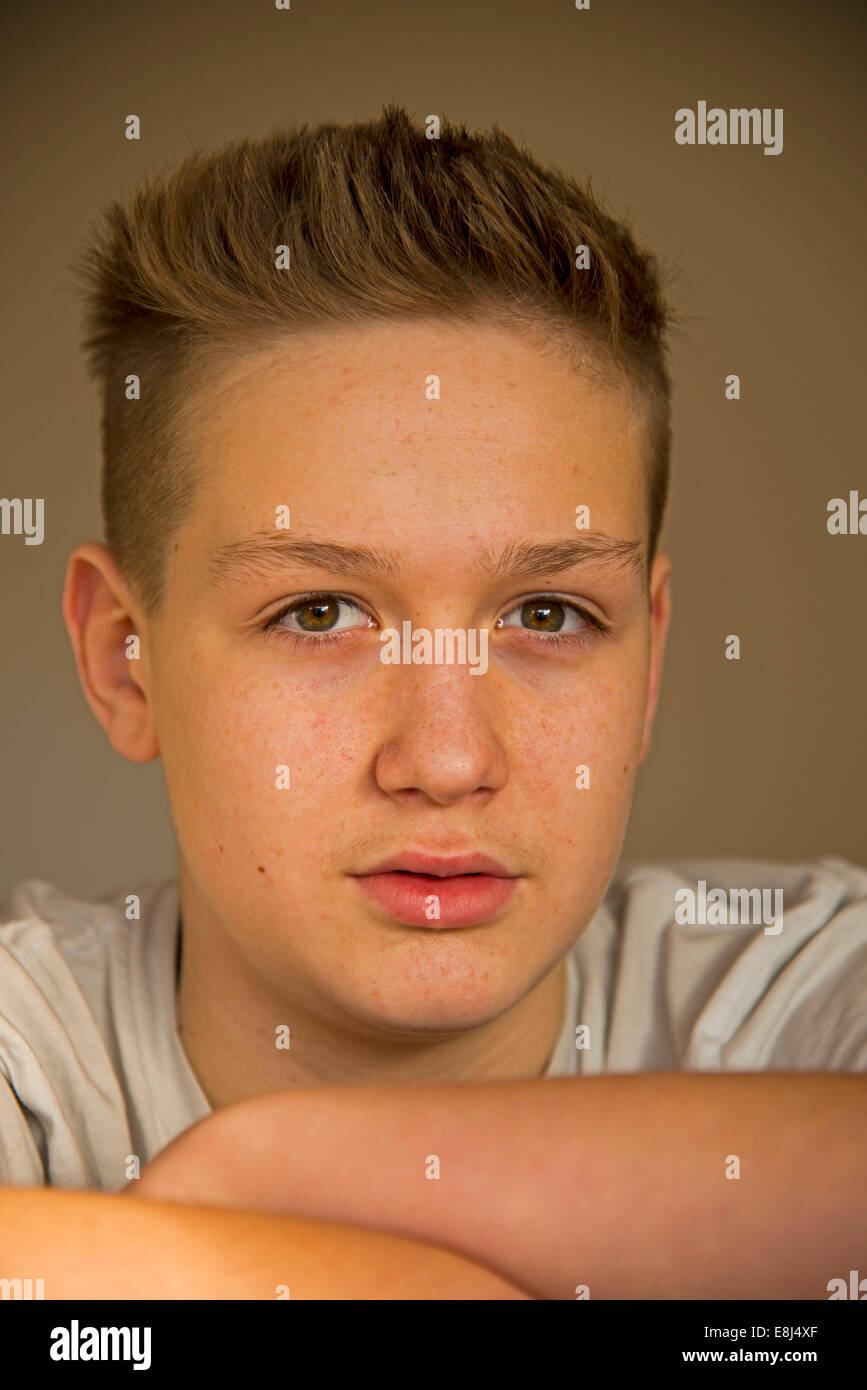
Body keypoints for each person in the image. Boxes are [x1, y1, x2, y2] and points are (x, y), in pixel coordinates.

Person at [1, 105, 864, 1300]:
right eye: (319, 613)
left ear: (651, 661)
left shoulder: (804, 990)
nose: (450, 760)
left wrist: (272, 1172)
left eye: (549, 615)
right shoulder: (25, 1062)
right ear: (121, 659)